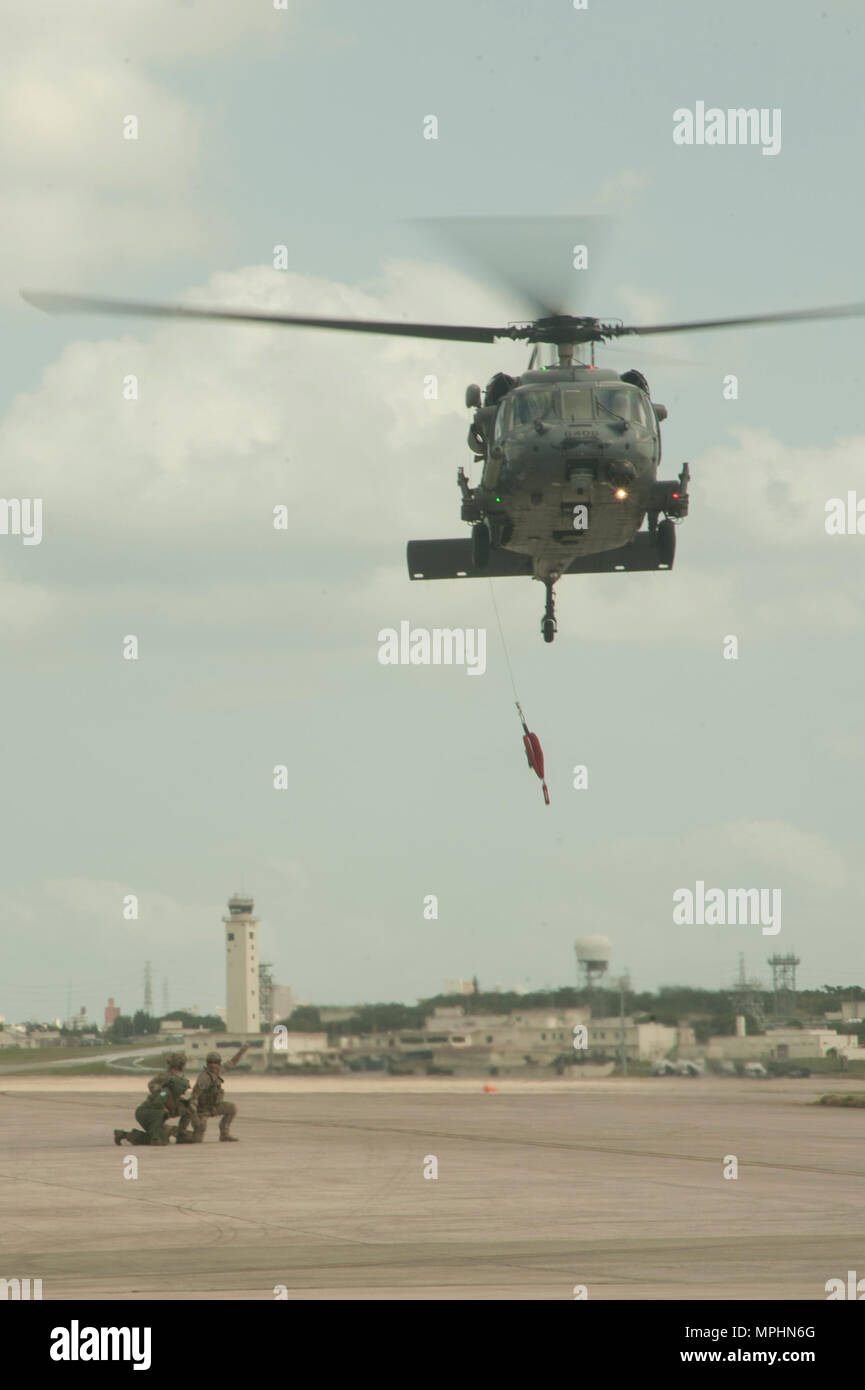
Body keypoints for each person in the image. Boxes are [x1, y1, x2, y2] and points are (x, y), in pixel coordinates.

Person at [176, 1044, 249, 1143]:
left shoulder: (217, 1072)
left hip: (214, 1107)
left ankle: (224, 1134)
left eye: (216, 1062)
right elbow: (195, 1095)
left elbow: (231, 1063)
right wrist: (195, 1114)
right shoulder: (204, 1077)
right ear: (207, 1063)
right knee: (197, 1139)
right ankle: (178, 1134)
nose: (213, 1065)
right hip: (202, 1110)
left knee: (232, 1108)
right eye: (210, 1062)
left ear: (219, 1064)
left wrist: (241, 1052)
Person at [114, 1053, 191, 1146]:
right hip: (155, 1109)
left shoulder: (178, 1077)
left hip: (165, 1106)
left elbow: (176, 1093)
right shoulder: (164, 1077)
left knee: (188, 1110)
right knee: (157, 1138)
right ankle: (126, 1135)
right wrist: (161, 1092)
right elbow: (153, 1087)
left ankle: (175, 1132)